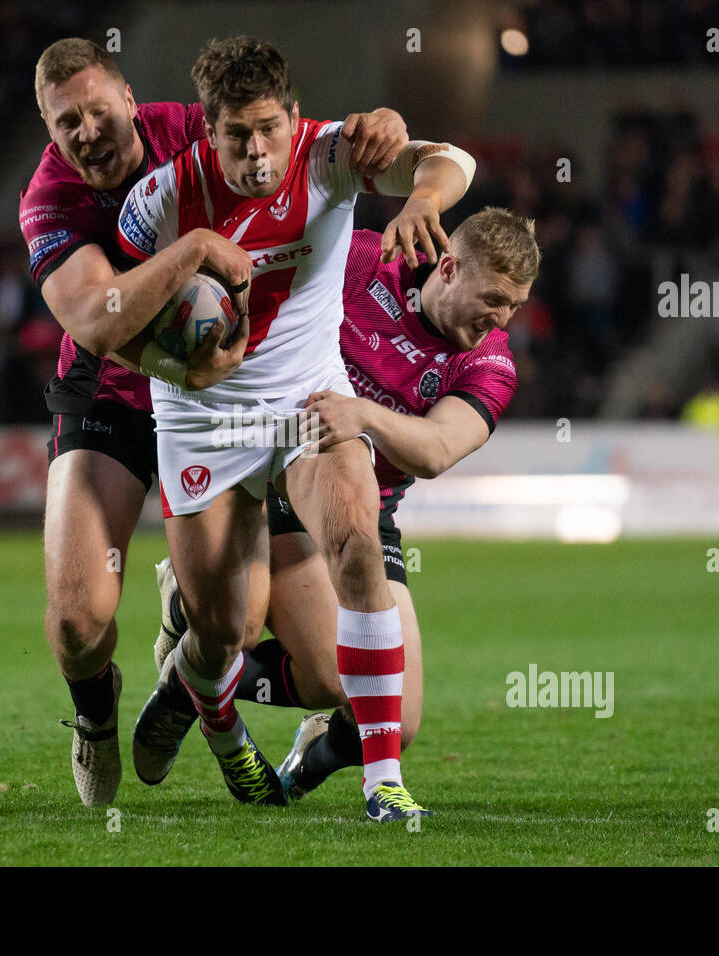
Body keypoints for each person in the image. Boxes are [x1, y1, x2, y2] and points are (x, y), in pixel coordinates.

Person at [19, 36, 409, 807]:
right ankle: (96, 721)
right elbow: (98, 322)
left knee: (318, 663)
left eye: (100, 111)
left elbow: (297, 152)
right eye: (68, 123)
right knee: (77, 620)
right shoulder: (48, 202)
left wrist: (389, 137)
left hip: (237, 396)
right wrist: (194, 261)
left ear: (132, 101)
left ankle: (193, 645)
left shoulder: (202, 131)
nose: (88, 131)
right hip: (114, 395)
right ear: (49, 129)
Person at [116, 36, 475, 820]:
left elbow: (451, 160)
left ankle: (384, 784)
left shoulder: (330, 156)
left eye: (270, 128)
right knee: (225, 629)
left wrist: (421, 197)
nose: (257, 150)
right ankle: (210, 712)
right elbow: (111, 324)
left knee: (356, 542)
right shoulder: (158, 203)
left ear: (293, 117)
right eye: (237, 134)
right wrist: (181, 365)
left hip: (309, 406)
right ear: (207, 132)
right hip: (203, 420)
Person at [138, 207, 535, 803]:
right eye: (495, 299)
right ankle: (200, 645)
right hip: (281, 474)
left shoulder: (489, 362)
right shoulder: (361, 260)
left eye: (515, 307)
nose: (502, 320)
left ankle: (287, 744)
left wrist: (363, 414)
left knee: (397, 723)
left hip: (368, 511)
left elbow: (436, 449)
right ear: (449, 268)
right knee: (275, 645)